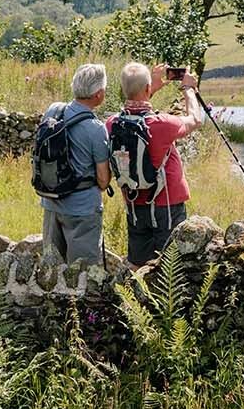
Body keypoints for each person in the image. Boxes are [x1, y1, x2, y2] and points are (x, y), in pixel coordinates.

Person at [114, 60, 202, 268]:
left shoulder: (113, 123)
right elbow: (195, 119)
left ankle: (136, 299)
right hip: (167, 204)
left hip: (134, 202)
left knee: (137, 264)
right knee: (169, 267)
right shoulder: (162, 124)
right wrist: (188, 89)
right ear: (146, 88)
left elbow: (135, 112)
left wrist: (149, 88)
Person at [36, 63, 113, 264]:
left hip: (51, 202)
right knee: (83, 275)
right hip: (82, 210)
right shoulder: (96, 129)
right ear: (98, 94)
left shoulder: (53, 111)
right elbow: (103, 181)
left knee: (52, 271)